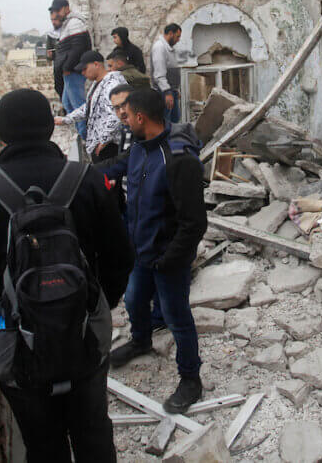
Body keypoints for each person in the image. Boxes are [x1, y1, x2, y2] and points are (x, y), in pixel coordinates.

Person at [0, 88, 134, 462]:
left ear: (1, 133)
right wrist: (94, 308)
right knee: (93, 434)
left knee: (43, 445)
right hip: (85, 340)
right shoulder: (87, 180)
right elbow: (121, 257)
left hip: (17, 350)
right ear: (49, 128)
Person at [103, 89, 207, 413]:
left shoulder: (178, 159)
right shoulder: (139, 149)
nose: (123, 118)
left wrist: (169, 260)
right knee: (134, 300)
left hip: (166, 260)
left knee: (177, 318)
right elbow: (113, 169)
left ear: (141, 118)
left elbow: (194, 224)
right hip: (141, 252)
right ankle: (141, 340)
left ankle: (191, 379)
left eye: (127, 113)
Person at [55, 51, 127, 163]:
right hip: (100, 144)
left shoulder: (112, 85)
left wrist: (103, 141)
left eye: (85, 68)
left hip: (110, 146)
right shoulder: (97, 84)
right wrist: (66, 119)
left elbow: (116, 115)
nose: (83, 73)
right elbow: (88, 108)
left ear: (96, 64)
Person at [49, 0, 92, 138]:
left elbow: (78, 48)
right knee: (68, 103)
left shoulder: (74, 23)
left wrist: (67, 67)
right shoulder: (67, 24)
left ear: (66, 9)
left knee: (77, 105)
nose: (56, 15)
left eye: (58, 11)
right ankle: (81, 134)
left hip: (73, 71)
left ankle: (86, 136)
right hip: (69, 71)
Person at [149, 23, 183, 123]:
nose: (178, 40)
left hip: (170, 91)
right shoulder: (159, 47)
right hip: (163, 93)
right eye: (177, 36)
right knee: (166, 123)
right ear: (170, 34)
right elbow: (159, 75)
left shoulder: (169, 48)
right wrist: (167, 92)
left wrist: (175, 90)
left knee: (174, 121)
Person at [46, 11, 64, 101]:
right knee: (59, 88)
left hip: (67, 66)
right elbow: (49, 52)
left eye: (55, 20)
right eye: (52, 20)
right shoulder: (51, 34)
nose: (53, 22)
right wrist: (49, 55)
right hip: (57, 67)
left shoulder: (67, 31)